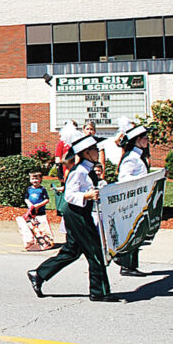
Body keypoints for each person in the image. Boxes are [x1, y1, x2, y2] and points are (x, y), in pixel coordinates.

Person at [28, 129, 118, 302]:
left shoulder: (88, 169)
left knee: (72, 251)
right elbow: (69, 195)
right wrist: (87, 196)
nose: (97, 153)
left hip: (81, 212)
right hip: (77, 214)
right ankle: (99, 292)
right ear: (85, 153)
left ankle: (38, 274)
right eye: (94, 150)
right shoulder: (79, 171)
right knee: (94, 251)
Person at [114, 122, 150, 276]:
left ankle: (129, 264)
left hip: (138, 200)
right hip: (131, 201)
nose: (147, 140)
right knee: (132, 231)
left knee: (137, 232)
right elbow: (124, 178)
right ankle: (125, 263)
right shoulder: (131, 158)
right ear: (137, 140)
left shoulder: (137, 156)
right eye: (145, 137)